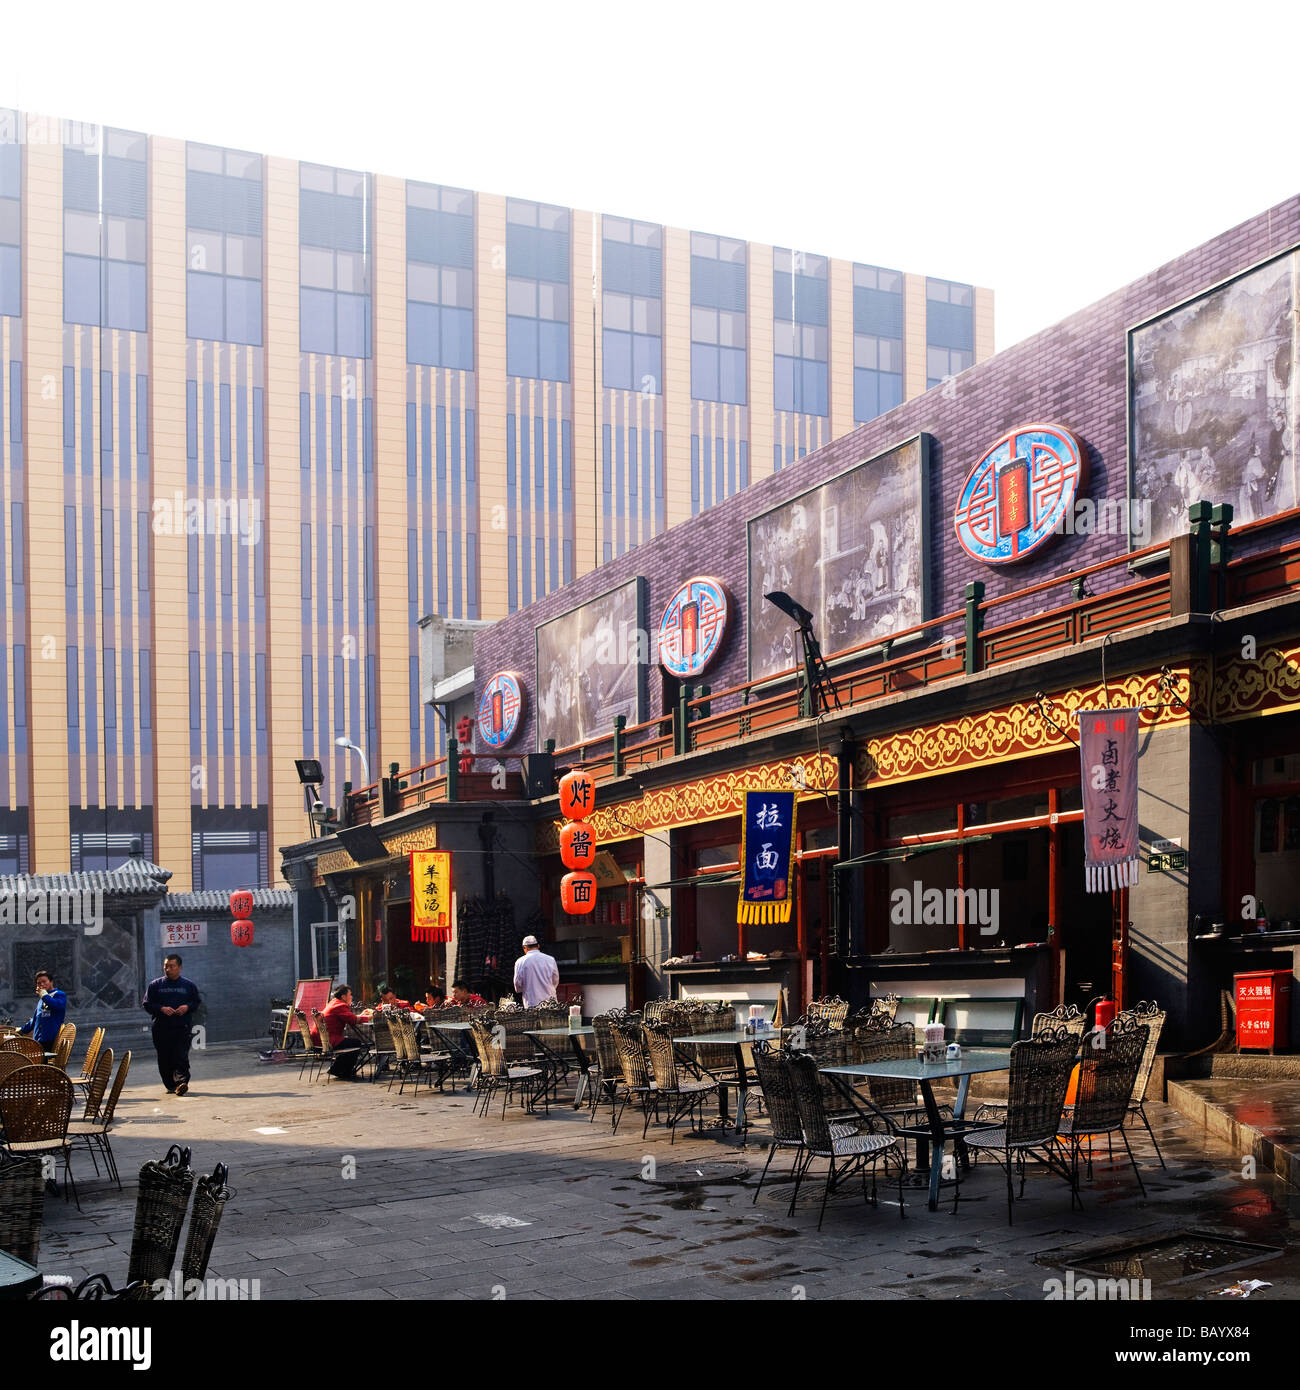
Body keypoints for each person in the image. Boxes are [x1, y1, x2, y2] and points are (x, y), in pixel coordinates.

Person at [142, 954, 201, 1096]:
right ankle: (170, 1084)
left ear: (179, 967)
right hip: (161, 1027)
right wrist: (161, 1008)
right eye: (166, 966)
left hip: (182, 1027)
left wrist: (187, 1007)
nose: (168, 969)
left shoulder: (188, 985)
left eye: (171, 966)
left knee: (181, 1055)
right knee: (164, 1057)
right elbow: (147, 1004)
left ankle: (182, 1083)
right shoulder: (155, 985)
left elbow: (196, 1002)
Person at [18, 969, 67, 1049]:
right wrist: (21, 1030)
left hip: (51, 1039)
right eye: (39, 983)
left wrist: (44, 995)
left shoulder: (59, 994)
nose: (42, 984)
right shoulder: (42, 998)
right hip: (38, 1040)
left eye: (44, 981)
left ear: (51, 982)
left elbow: (57, 1005)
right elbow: (35, 1019)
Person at [513, 934, 560, 1008]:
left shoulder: (520, 962)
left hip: (532, 1003)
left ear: (525, 948)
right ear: (538, 946)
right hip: (550, 1003)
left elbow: (518, 985)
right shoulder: (550, 959)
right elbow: (555, 980)